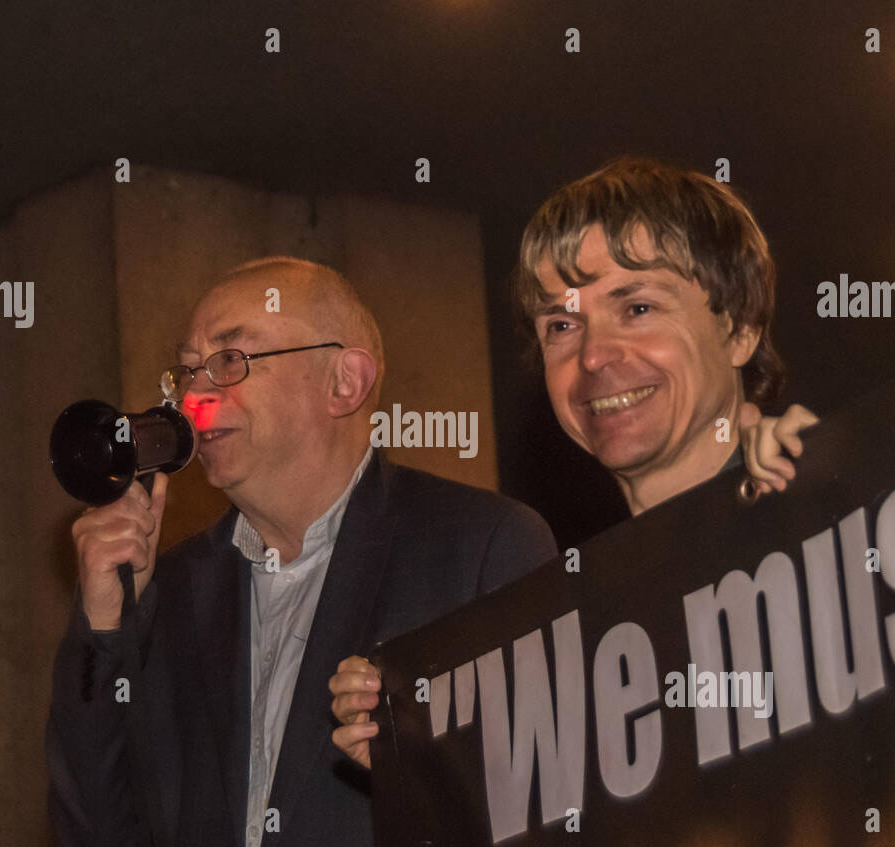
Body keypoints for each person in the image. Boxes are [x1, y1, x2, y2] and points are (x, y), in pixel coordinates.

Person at [46, 256, 557, 847]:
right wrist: (104, 632)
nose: (196, 397)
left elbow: (540, 821)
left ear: (345, 382)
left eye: (230, 361)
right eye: (186, 372)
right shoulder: (175, 590)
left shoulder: (479, 549)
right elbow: (99, 846)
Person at [332, 156, 817, 770]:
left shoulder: (825, 525)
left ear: (740, 328)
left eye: (637, 308)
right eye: (562, 323)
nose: (593, 356)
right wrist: (431, 771)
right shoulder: (576, 629)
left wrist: (840, 486)